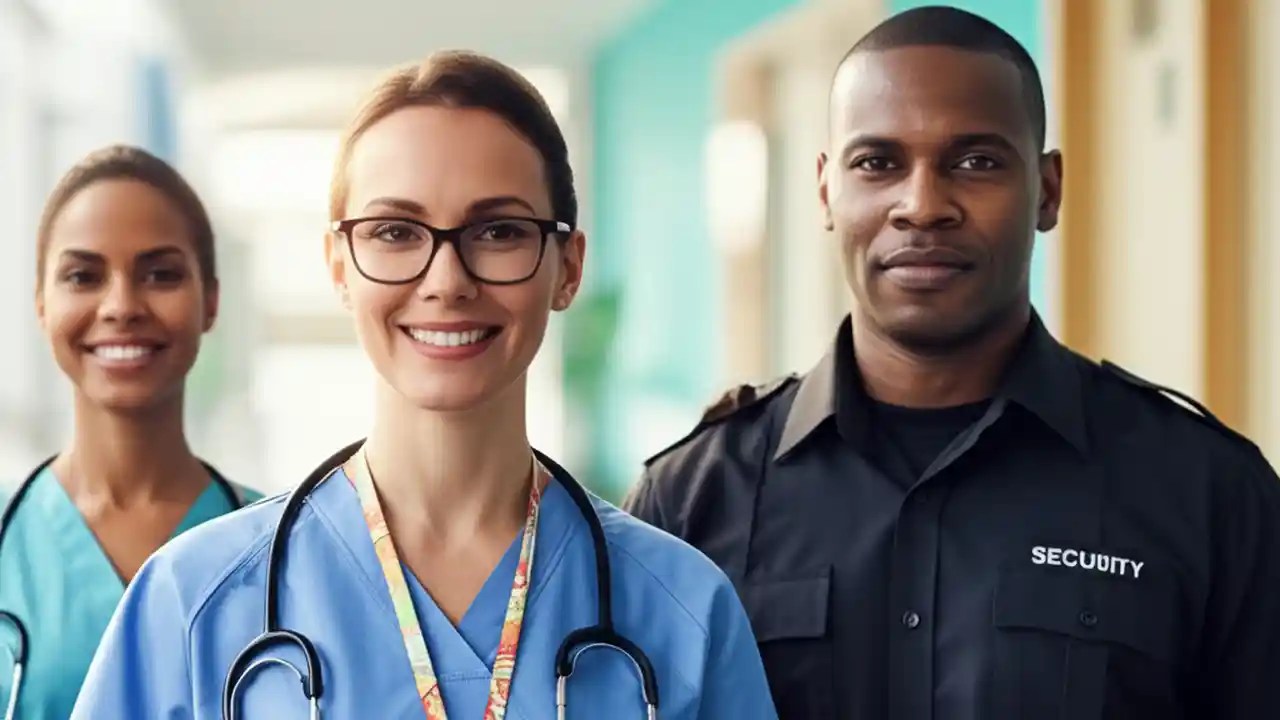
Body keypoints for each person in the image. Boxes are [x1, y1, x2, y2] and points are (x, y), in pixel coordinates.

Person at [71, 51, 776, 720]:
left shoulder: (682, 609)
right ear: (339, 265)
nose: (447, 281)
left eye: (498, 231)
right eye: (396, 232)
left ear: (567, 268)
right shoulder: (195, 603)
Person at [625, 6, 1280, 720]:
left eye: (976, 162)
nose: (923, 205)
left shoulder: (1207, 492)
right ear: (825, 192)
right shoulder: (689, 503)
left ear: (1048, 189)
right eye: (878, 163)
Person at [0, 145, 259, 720]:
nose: (121, 305)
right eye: (83, 276)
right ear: (42, 304)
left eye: (161, 274)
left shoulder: (286, 546)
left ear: (210, 300)